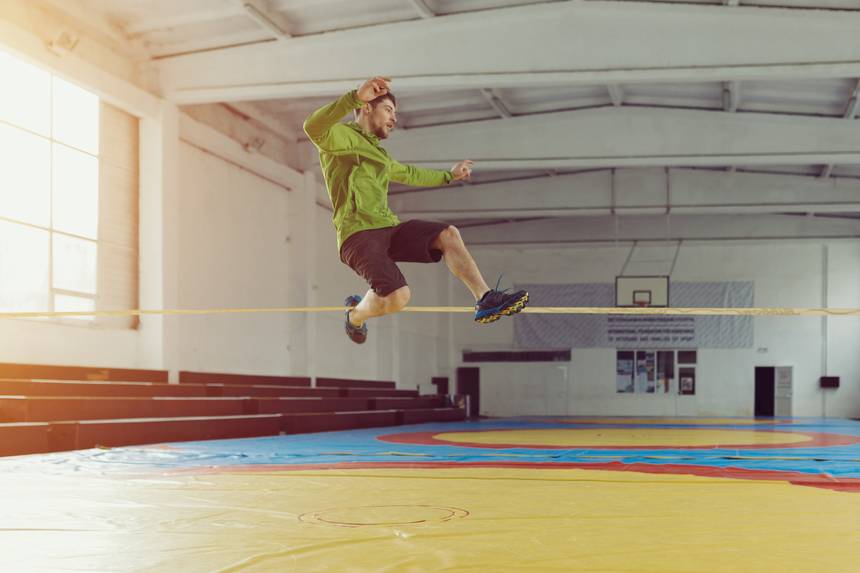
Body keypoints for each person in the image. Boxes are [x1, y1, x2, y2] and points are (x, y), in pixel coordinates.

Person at [303, 76, 528, 344]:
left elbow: (409, 174)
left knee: (448, 234)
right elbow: (312, 126)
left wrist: (448, 176)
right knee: (398, 298)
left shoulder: (380, 154)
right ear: (366, 108)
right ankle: (355, 316)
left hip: (388, 228)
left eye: (395, 113)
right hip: (358, 235)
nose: (394, 119)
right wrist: (354, 96)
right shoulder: (341, 138)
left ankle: (485, 299)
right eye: (388, 110)